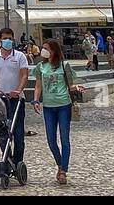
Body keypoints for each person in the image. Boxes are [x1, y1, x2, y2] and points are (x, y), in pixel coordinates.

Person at [32, 39, 83, 185]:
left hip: (63, 106)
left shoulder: (64, 65)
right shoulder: (41, 66)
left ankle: (63, 171)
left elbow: (70, 85)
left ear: (54, 50)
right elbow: (38, 86)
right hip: (48, 107)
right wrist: (36, 100)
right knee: (51, 140)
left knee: (65, 139)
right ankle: (59, 164)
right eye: (43, 48)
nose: (44, 50)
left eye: (46, 48)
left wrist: (77, 88)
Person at [0, 27, 28, 169]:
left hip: (16, 99)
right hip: (0, 99)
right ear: (0, 39)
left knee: (18, 134)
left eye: (10, 38)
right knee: (2, 132)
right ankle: (7, 160)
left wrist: (18, 90)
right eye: (5, 38)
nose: (7, 41)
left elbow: (24, 75)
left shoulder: (20, 56)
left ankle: (18, 163)